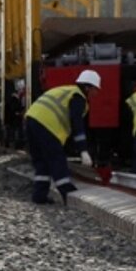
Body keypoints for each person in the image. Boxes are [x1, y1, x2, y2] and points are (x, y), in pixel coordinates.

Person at [25, 69, 99, 204]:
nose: (96, 93)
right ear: (88, 88)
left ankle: (39, 196)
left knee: (41, 161)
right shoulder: (78, 97)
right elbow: (76, 122)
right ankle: (67, 192)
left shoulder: (66, 90)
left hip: (31, 120)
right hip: (47, 124)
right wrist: (83, 150)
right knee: (57, 158)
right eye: (95, 89)